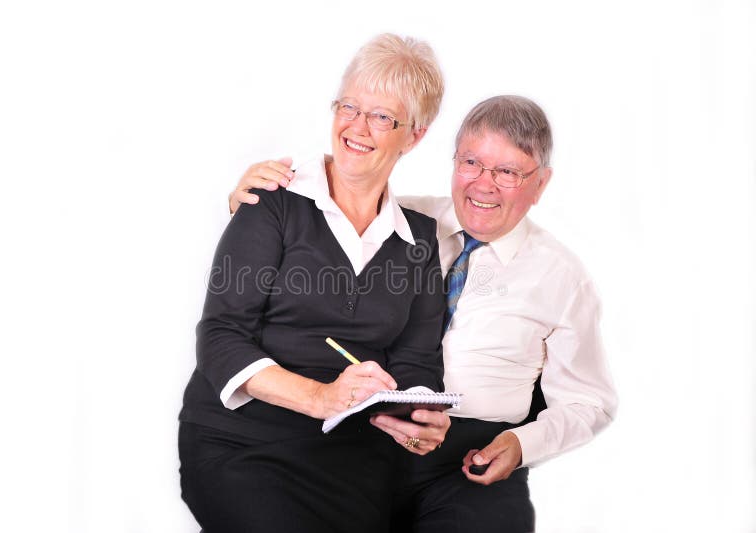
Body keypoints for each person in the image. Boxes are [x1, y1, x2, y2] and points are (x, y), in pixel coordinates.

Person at [229, 95, 618, 532]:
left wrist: (520, 443)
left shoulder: (563, 276)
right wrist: (258, 197)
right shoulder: (400, 221)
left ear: (541, 183)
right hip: (360, 436)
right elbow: (318, 216)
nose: (483, 185)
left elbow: (588, 402)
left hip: (469, 461)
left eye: (507, 172)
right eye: (471, 163)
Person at [177, 33, 450, 533]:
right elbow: (220, 338)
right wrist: (321, 397)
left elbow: (416, 363)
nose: (356, 126)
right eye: (349, 105)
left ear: (414, 136)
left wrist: (418, 420)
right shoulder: (274, 200)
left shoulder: (420, 239)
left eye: (382, 116)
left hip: (350, 455)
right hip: (242, 443)